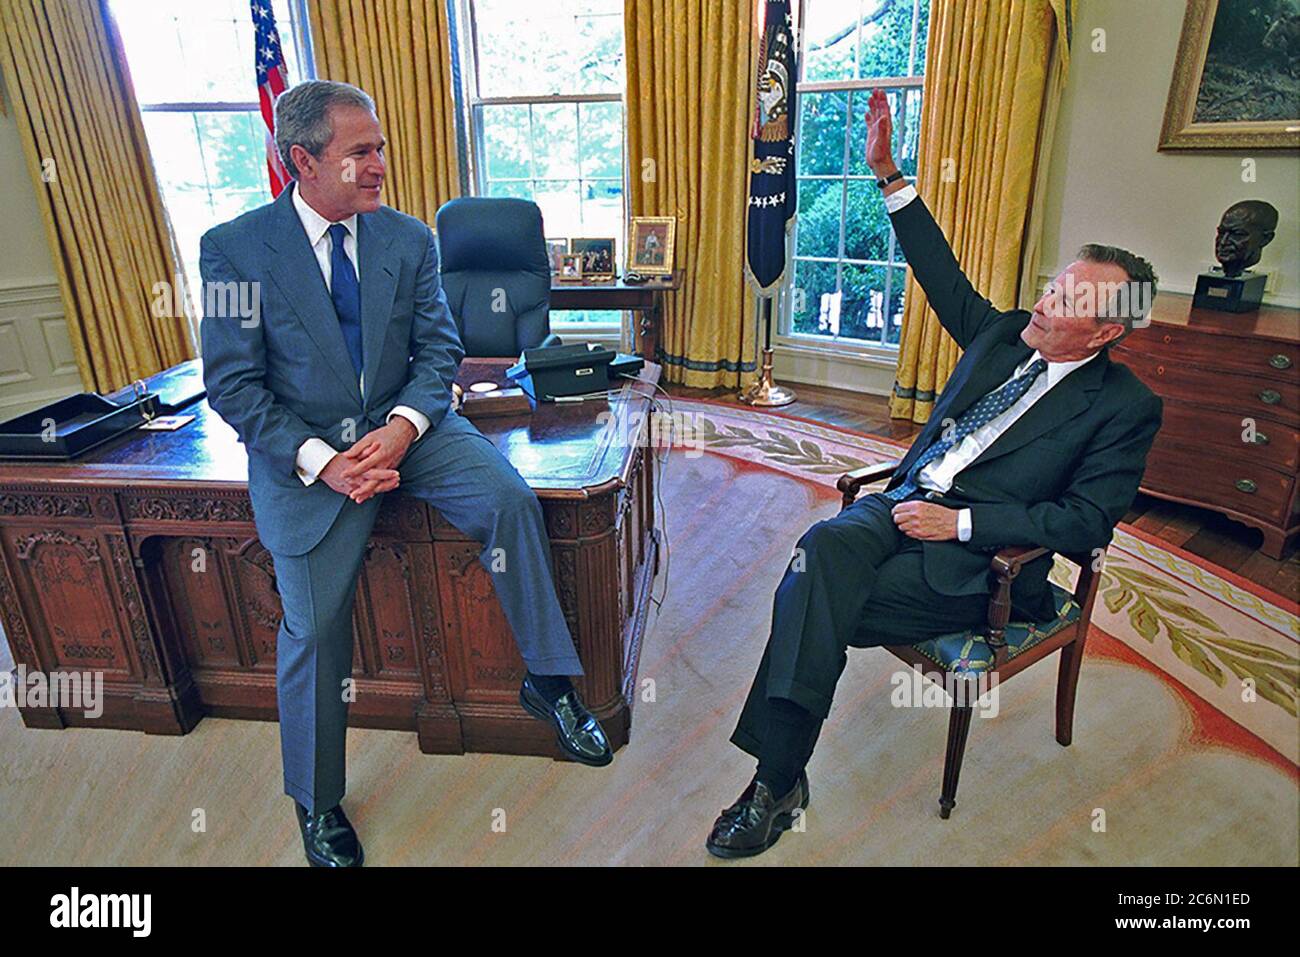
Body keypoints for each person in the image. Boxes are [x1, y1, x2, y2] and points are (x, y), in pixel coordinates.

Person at [705, 88, 1163, 859]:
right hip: (902, 505)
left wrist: (963, 524)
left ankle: (774, 780)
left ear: (1109, 329)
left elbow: (1086, 522)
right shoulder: (1005, 333)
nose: (1046, 303)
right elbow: (939, 269)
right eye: (1053, 283)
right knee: (817, 557)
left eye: (1069, 300)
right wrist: (888, 172)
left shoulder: (1123, 407)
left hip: (979, 561)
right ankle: (780, 778)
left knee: (813, 598)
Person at [200, 80, 612, 868]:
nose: (380, 164)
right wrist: (326, 462)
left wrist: (399, 430)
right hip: (306, 454)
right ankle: (317, 801)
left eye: (380, 146)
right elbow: (234, 386)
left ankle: (551, 683)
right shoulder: (231, 247)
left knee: (510, 501)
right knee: (314, 628)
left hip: (409, 427)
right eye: (361, 151)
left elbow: (438, 353)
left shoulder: (409, 238)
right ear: (302, 162)